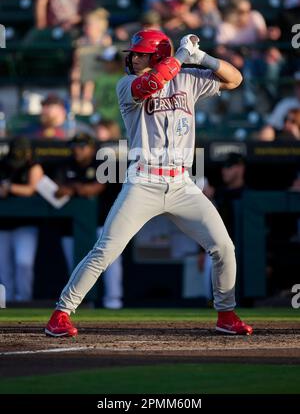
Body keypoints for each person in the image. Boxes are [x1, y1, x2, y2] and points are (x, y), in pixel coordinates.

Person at [45, 29, 253, 337]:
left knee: (223, 247)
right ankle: (61, 314)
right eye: (134, 53)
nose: (132, 58)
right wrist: (180, 57)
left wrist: (202, 58)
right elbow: (152, 84)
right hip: (144, 180)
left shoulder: (188, 78)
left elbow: (235, 79)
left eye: (140, 54)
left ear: (157, 56)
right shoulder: (126, 84)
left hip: (182, 183)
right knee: (105, 250)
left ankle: (226, 313)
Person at [55, 133, 123, 309]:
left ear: (91, 147)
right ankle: (80, 302)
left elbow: (94, 188)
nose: (77, 150)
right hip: (71, 227)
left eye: (82, 146)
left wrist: (75, 188)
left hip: (102, 223)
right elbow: (57, 189)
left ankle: (113, 300)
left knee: (111, 262)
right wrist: (70, 189)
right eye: (75, 147)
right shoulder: (66, 165)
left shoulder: (102, 163)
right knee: (76, 264)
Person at [0, 137, 43, 301]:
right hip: (3, 225)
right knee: (4, 268)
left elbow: (32, 189)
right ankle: (7, 300)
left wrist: (10, 187)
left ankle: (24, 300)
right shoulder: (3, 164)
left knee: (23, 263)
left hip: (26, 224)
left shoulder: (33, 166)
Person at [70, 8, 112, 116]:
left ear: (99, 27)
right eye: (85, 25)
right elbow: (77, 60)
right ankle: (75, 101)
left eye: (89, 25)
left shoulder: (105, 40)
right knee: (76, 74)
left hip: (99, 69)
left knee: (89, 78)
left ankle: (86, 101)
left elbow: (108, 60)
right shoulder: (82, 41)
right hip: (84, 68)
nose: (85, 28)